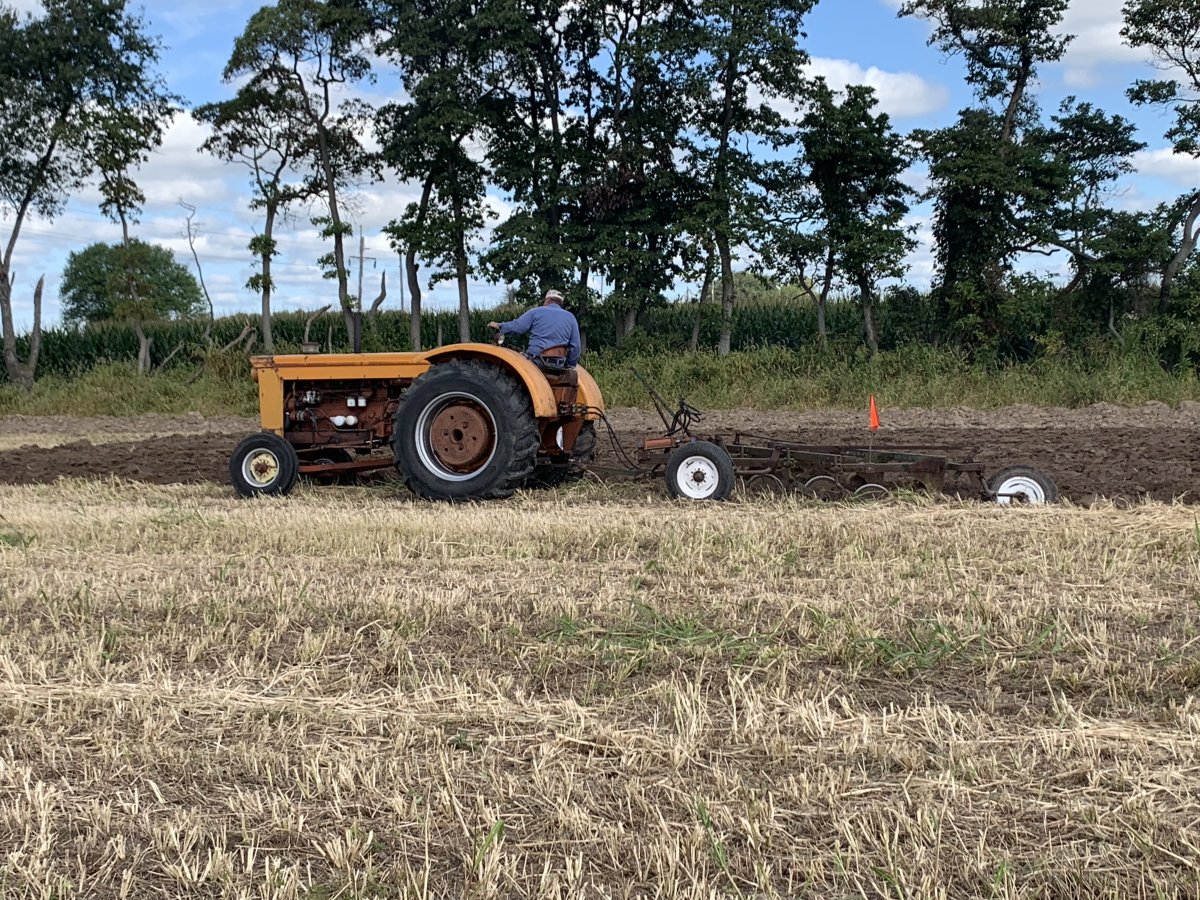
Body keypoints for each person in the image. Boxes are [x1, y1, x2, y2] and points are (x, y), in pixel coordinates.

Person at [488, 289, 581, 367]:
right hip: (559, 364)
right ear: (560, 303)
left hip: (536, 361)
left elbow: (517, 327)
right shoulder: (571, 317)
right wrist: (569, 365)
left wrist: (499, 325)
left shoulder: (536, 312)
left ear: (548, 300)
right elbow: (576, 347)